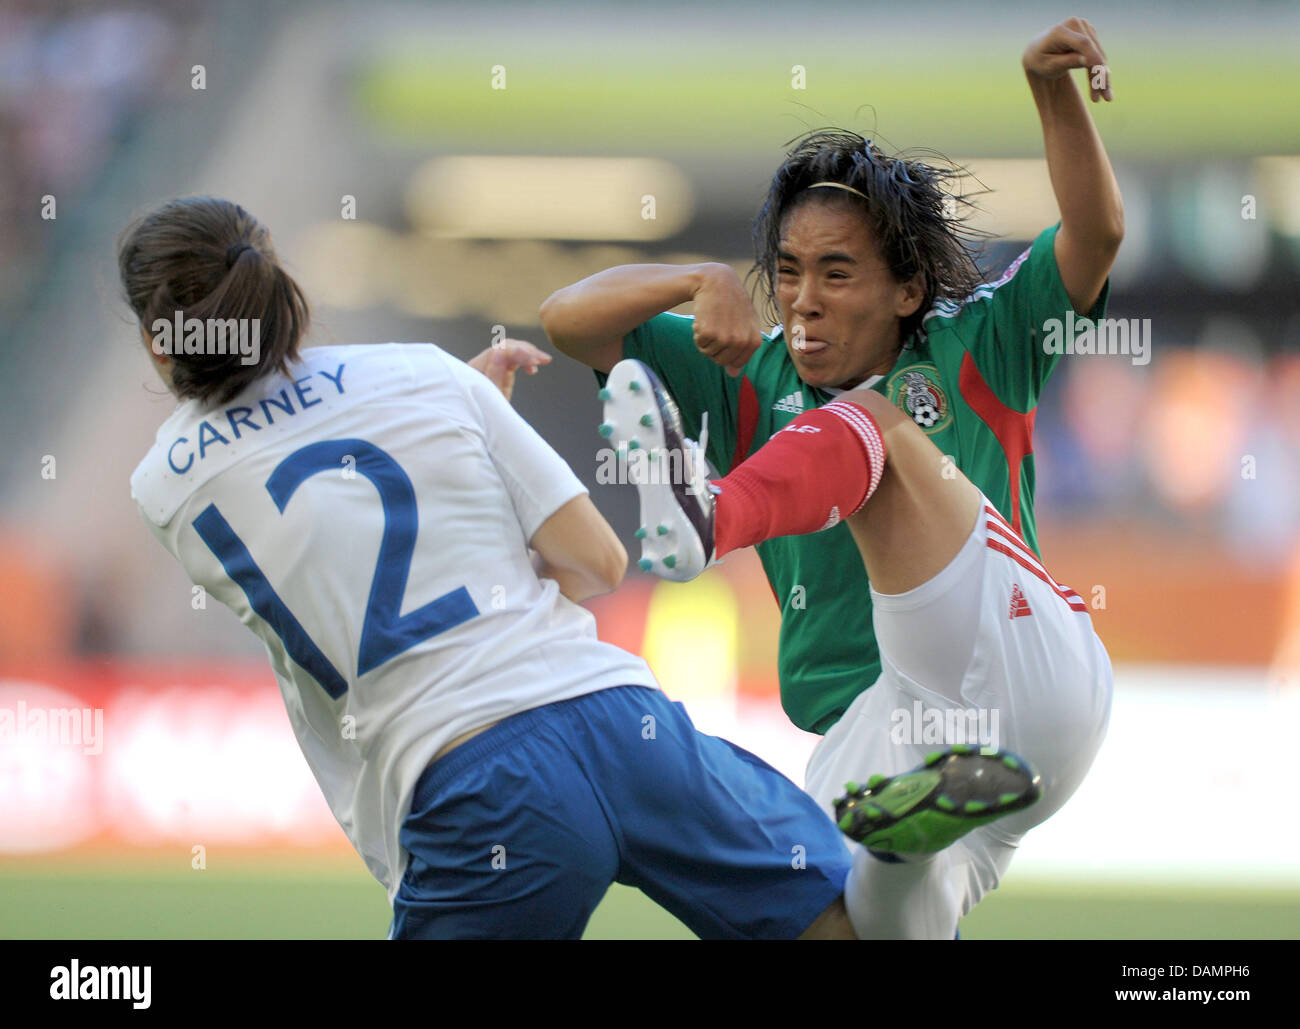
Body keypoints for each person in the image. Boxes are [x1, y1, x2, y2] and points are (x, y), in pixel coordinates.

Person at [121, 195, 860, 940]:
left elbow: (336, 534)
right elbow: (599, 562)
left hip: (473, 781)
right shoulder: (427, 373)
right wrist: (461, 459)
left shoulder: (165, 485)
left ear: (158, 341)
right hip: (619, 721)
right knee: (839, 920)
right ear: (282, 288)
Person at [540, 18, 1120, 937]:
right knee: (860, 909)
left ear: (906, 289)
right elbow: (567, 319)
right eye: (789, 271)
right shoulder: (751, 371)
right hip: (878, 738)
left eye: (837, 273)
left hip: (1015, 669)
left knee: (875, 427)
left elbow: (1096, 234)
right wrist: (694, 277)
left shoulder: (983, 342)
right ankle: (902, 842)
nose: (804, 298)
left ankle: (708, 518)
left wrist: (1052, 92)